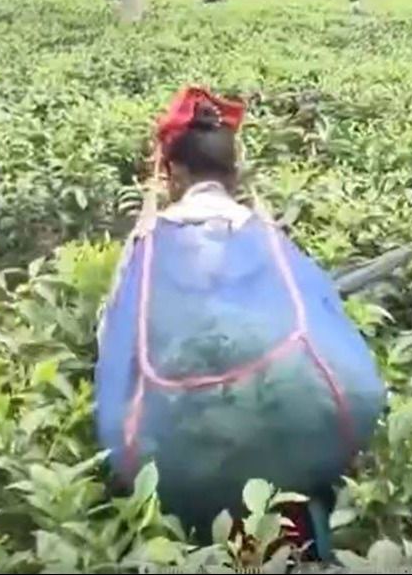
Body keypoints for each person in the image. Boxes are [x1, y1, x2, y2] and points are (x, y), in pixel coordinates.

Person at [96, 88, 385, 563]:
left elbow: (116, 339)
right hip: (286, 428)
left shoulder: (149, 245)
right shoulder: (264, 236)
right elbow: (318, 313)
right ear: (234, 176)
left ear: (177, 174)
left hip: (183, 453)